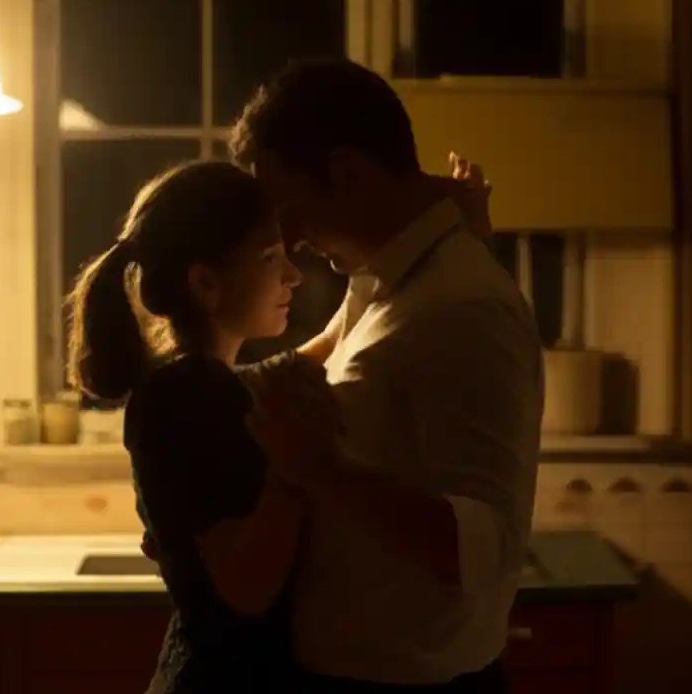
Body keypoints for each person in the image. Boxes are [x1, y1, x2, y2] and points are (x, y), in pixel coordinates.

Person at [229, 58, 544, 693]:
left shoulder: (465, 308)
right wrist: (184, 399)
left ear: (348, 174)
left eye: (291, 213)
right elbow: (304, 368)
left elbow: (487, 548)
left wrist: (320, 470)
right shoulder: (380, 283)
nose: (288, 242)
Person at [66, 160, 326, 693]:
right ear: (207, 283)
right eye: (270, 257)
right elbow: (247, 589)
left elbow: (301, 362)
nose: (293, 275)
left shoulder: (197, 383)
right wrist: (296, 471)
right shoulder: (192, 397)